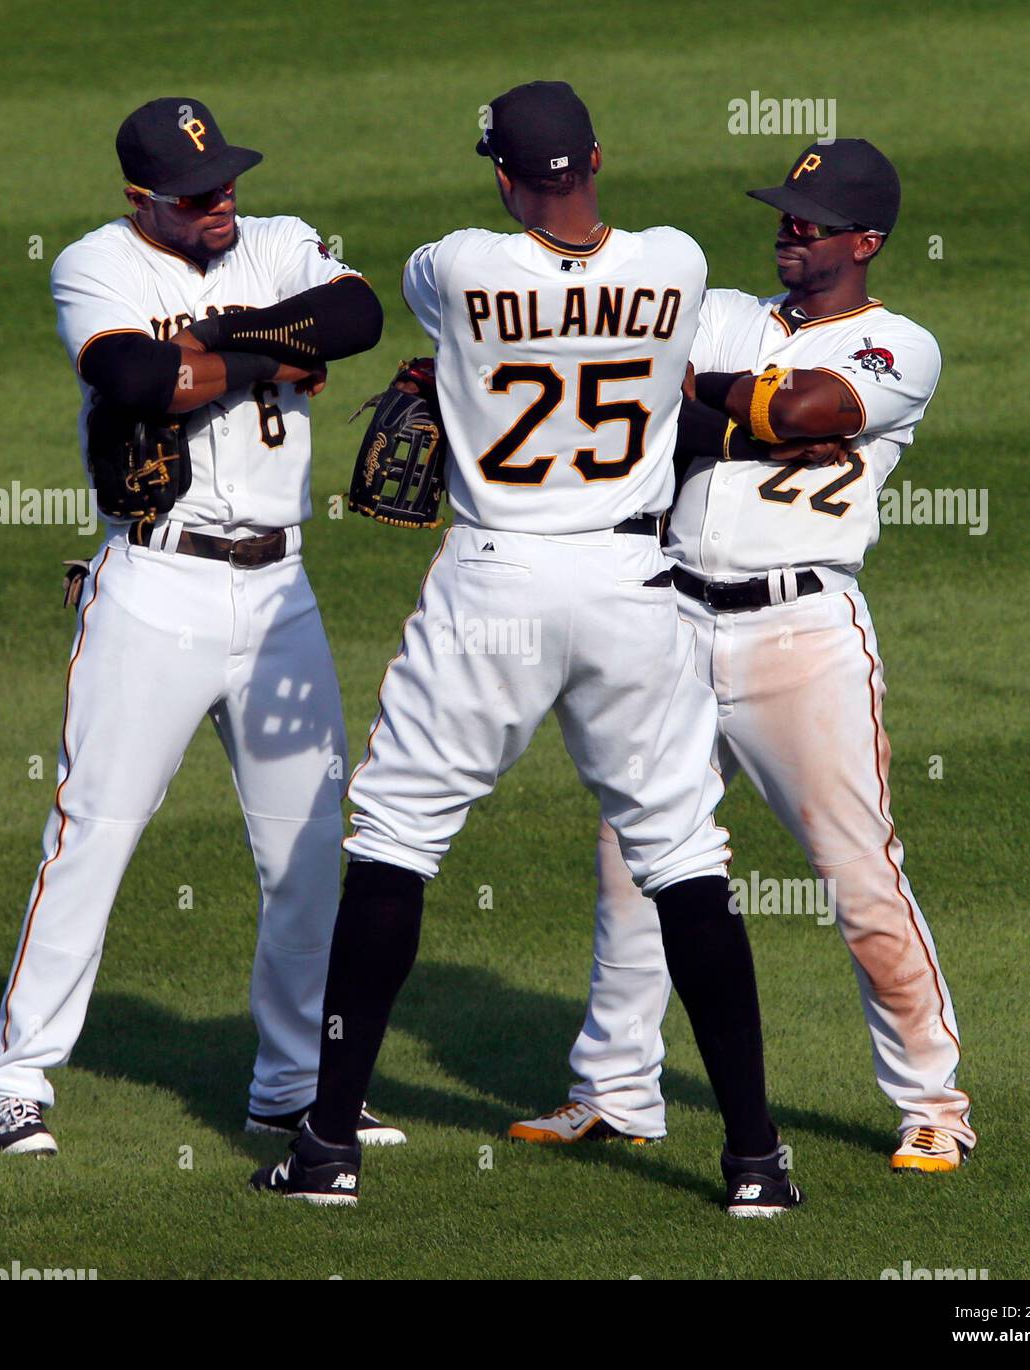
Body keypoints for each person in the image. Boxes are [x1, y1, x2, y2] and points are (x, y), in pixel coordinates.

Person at [252, 82, 802, 1216]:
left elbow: (441, 327)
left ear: (500, 175)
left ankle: (327, 1149)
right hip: (631, 582)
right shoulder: (680, 260)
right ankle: (753, 1158)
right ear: (597, 156)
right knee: (683, 853)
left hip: (495, 578)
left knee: (395, 835)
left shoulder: (455, 263)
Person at [510, 140, 974, 1174]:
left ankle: (932, 1100)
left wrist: (727, 407)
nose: (789, 230)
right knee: (636, 861)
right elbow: (637, 401)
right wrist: (740, 409)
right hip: (669, 618)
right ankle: (617, 1090)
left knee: (856, 875)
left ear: (866, 241)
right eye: (784, 214)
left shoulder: (901, 344)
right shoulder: (722, 309)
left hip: (801, 636)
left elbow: (809, 410)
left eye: (811, 221)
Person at [0, 96, 404, 1155]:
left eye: (228, 185)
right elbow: (132, 375)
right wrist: (268, 353)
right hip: (155, 587)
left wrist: (216, 347)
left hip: (281, 591)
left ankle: (291, 1082)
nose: (221, 205)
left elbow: (356, 316)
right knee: (96, 832)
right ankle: (14, 1074)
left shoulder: (277, 240)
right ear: (139, 199)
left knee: (303, 848)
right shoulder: (97, 264)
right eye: (195, 196)